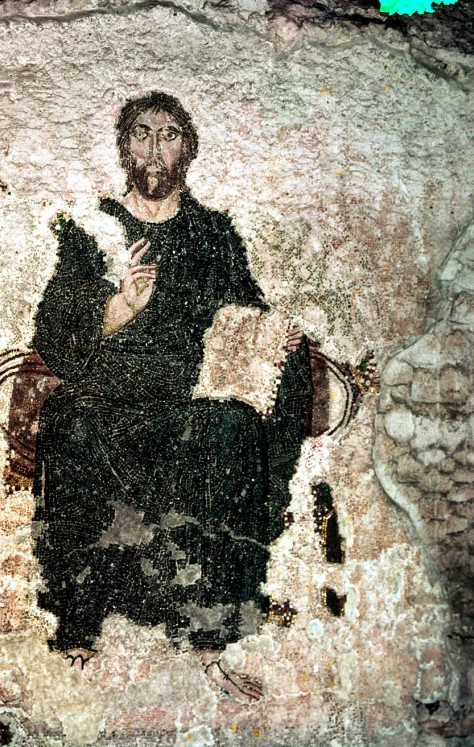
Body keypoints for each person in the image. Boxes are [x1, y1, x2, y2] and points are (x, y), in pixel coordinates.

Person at [31, 93, 312, 700]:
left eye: (169, 135)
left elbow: (243, 313)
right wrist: (119, 307)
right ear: (123, 147)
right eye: (141, 134)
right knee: (70, 423)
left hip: (186, 396)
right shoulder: (93, 228)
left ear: (187, 148)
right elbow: (54, 332)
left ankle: (211, 636)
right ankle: (80, 626)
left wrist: (271, 335)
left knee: (230, 430)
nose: (154, 149)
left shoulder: (212, 233)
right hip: (107, 391)